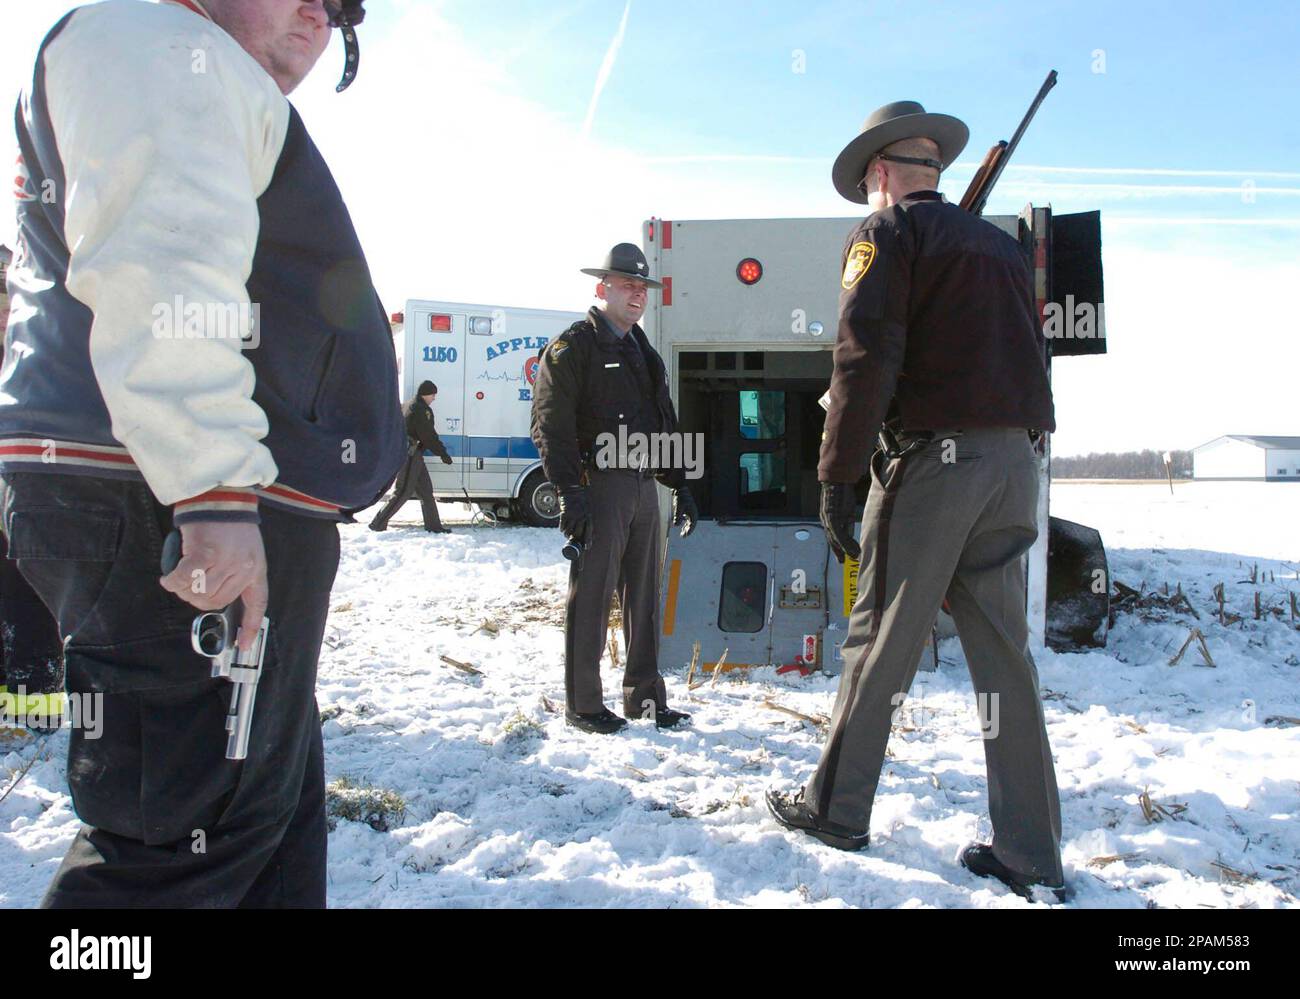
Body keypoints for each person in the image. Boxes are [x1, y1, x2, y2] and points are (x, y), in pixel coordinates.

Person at [0, 0, 404, 907]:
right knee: (185, 843)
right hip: (165, 497)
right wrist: (214, 492)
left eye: (342, 11)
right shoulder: (162, 44)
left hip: (192, 493)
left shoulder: (193, 69)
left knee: (263, 820)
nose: (319, 15)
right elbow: (164, 259)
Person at [765, 101, 1068, 902]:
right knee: (1005, 656)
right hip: (1016, 463)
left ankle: (836, 808)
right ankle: (1031, 851)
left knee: (877, 640)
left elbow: (863, 358)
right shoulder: (999, 248)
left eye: (867, 183)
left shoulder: (886, 234)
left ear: (880, 175)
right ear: (932, 167)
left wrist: (836, 476)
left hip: (938, 466)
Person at [530, 243, 699, 734]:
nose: (637, 296)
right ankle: (583, 705)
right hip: (598, 483)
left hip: (644, 484)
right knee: (594, 596)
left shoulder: (640, 350)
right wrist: (569, 492)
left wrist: (679, 485)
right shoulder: (572, 347)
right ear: (601, 288)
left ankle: (645, 701)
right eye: (627, 286)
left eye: (642, 288)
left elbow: (662, 421)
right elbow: (550, 424)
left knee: (644, 596)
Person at [369, 380, 454, 533]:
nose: (434, 398)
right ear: (426, 394)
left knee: (426, 491)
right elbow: (428, 435)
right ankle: (377, 523)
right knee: (402, 491)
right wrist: (442, 453)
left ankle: (434, 526)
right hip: (409, 455)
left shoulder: (408, 404)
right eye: (433, 395)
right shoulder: (421, 409)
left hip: (413, 454)